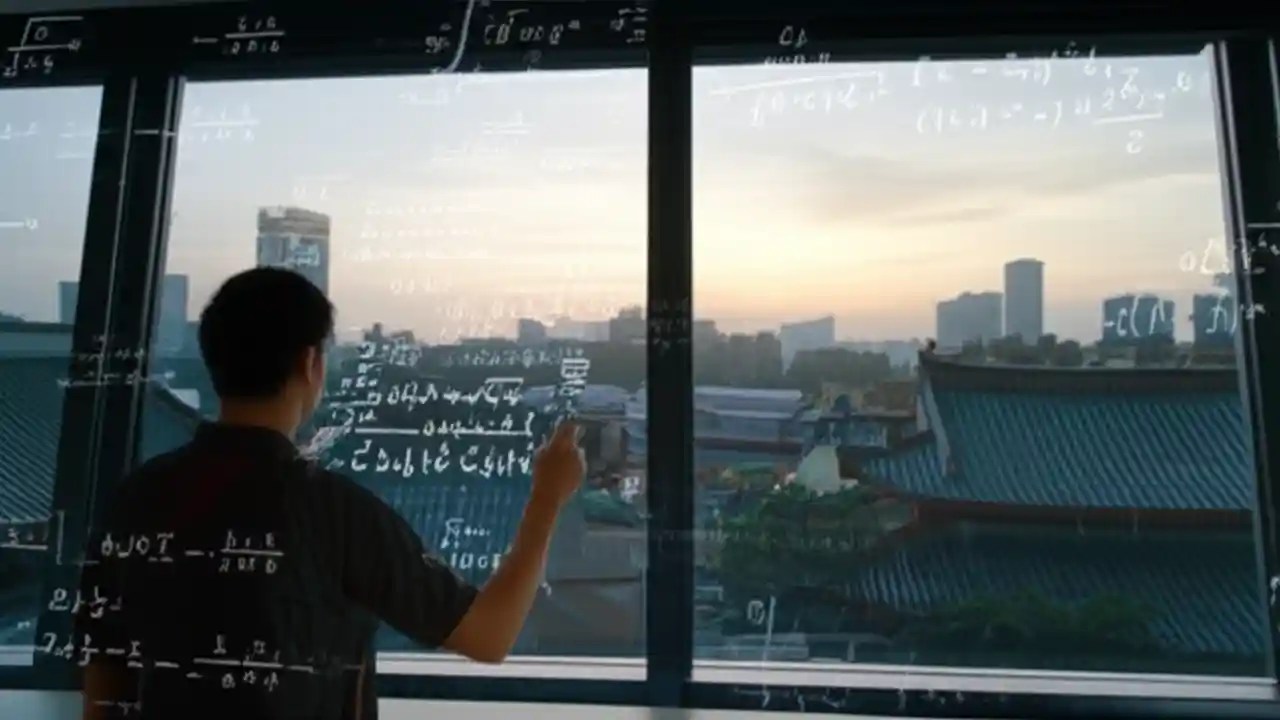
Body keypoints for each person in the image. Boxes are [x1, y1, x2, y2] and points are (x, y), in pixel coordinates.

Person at [77, 267, 584, 720]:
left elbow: (105, 674)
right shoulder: (335, 513)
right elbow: (489, 635)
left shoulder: (136, 498)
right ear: (310, 364)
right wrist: (547, 497)